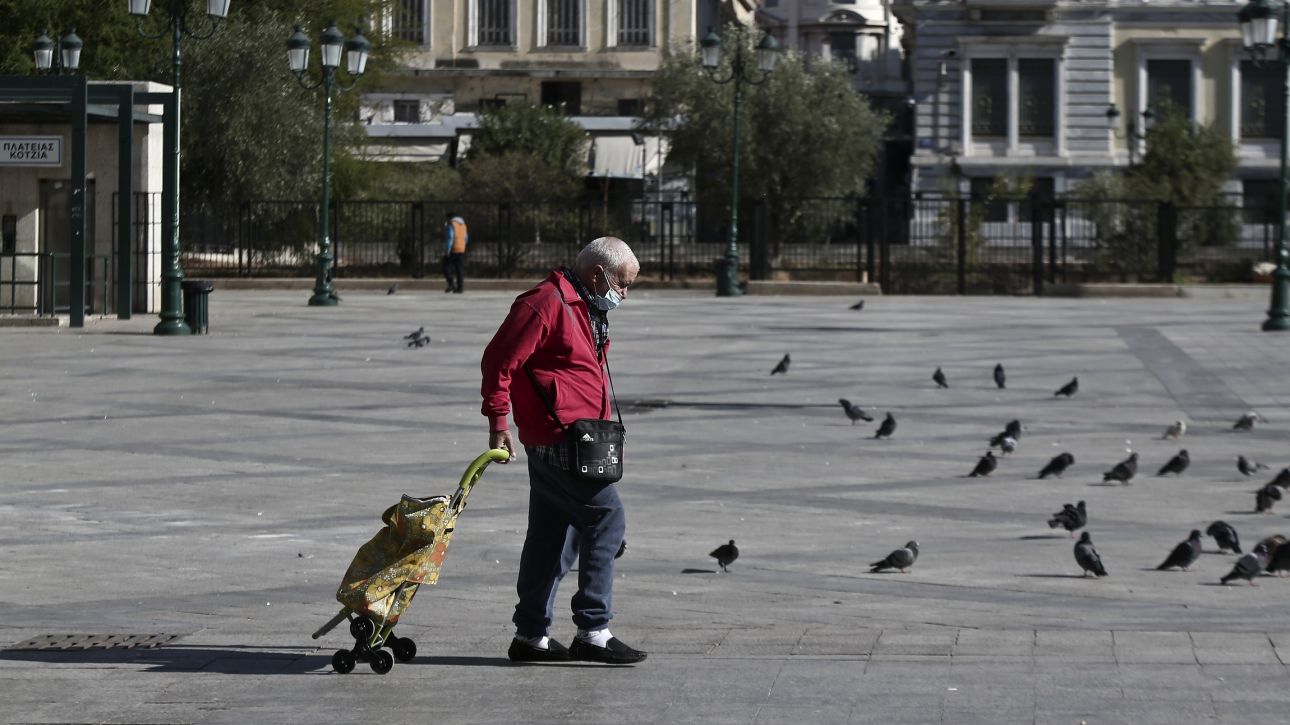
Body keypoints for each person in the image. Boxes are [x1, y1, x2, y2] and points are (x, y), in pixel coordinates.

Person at [480, 237, 645, 665]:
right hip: (558, 436)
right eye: (623, 284)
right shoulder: (546, 301)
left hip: (580, 435)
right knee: (607, 518)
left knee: (553, 534)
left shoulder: (584, 304)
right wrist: (499, 419)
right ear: (598, 274)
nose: (624, 294)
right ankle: (593, 629)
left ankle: (531, 635)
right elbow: (500, 360)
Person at [442, 212, 468, 293]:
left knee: (445, 266)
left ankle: (451, 283)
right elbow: (466, 237)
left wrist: (447, 250)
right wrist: (463, 246)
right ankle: (460, 288)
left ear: (449, 218)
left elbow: (450, 237)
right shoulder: (463, 225)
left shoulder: (451, 224)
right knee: (459, 269)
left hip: (453, 249)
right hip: (461, 249)